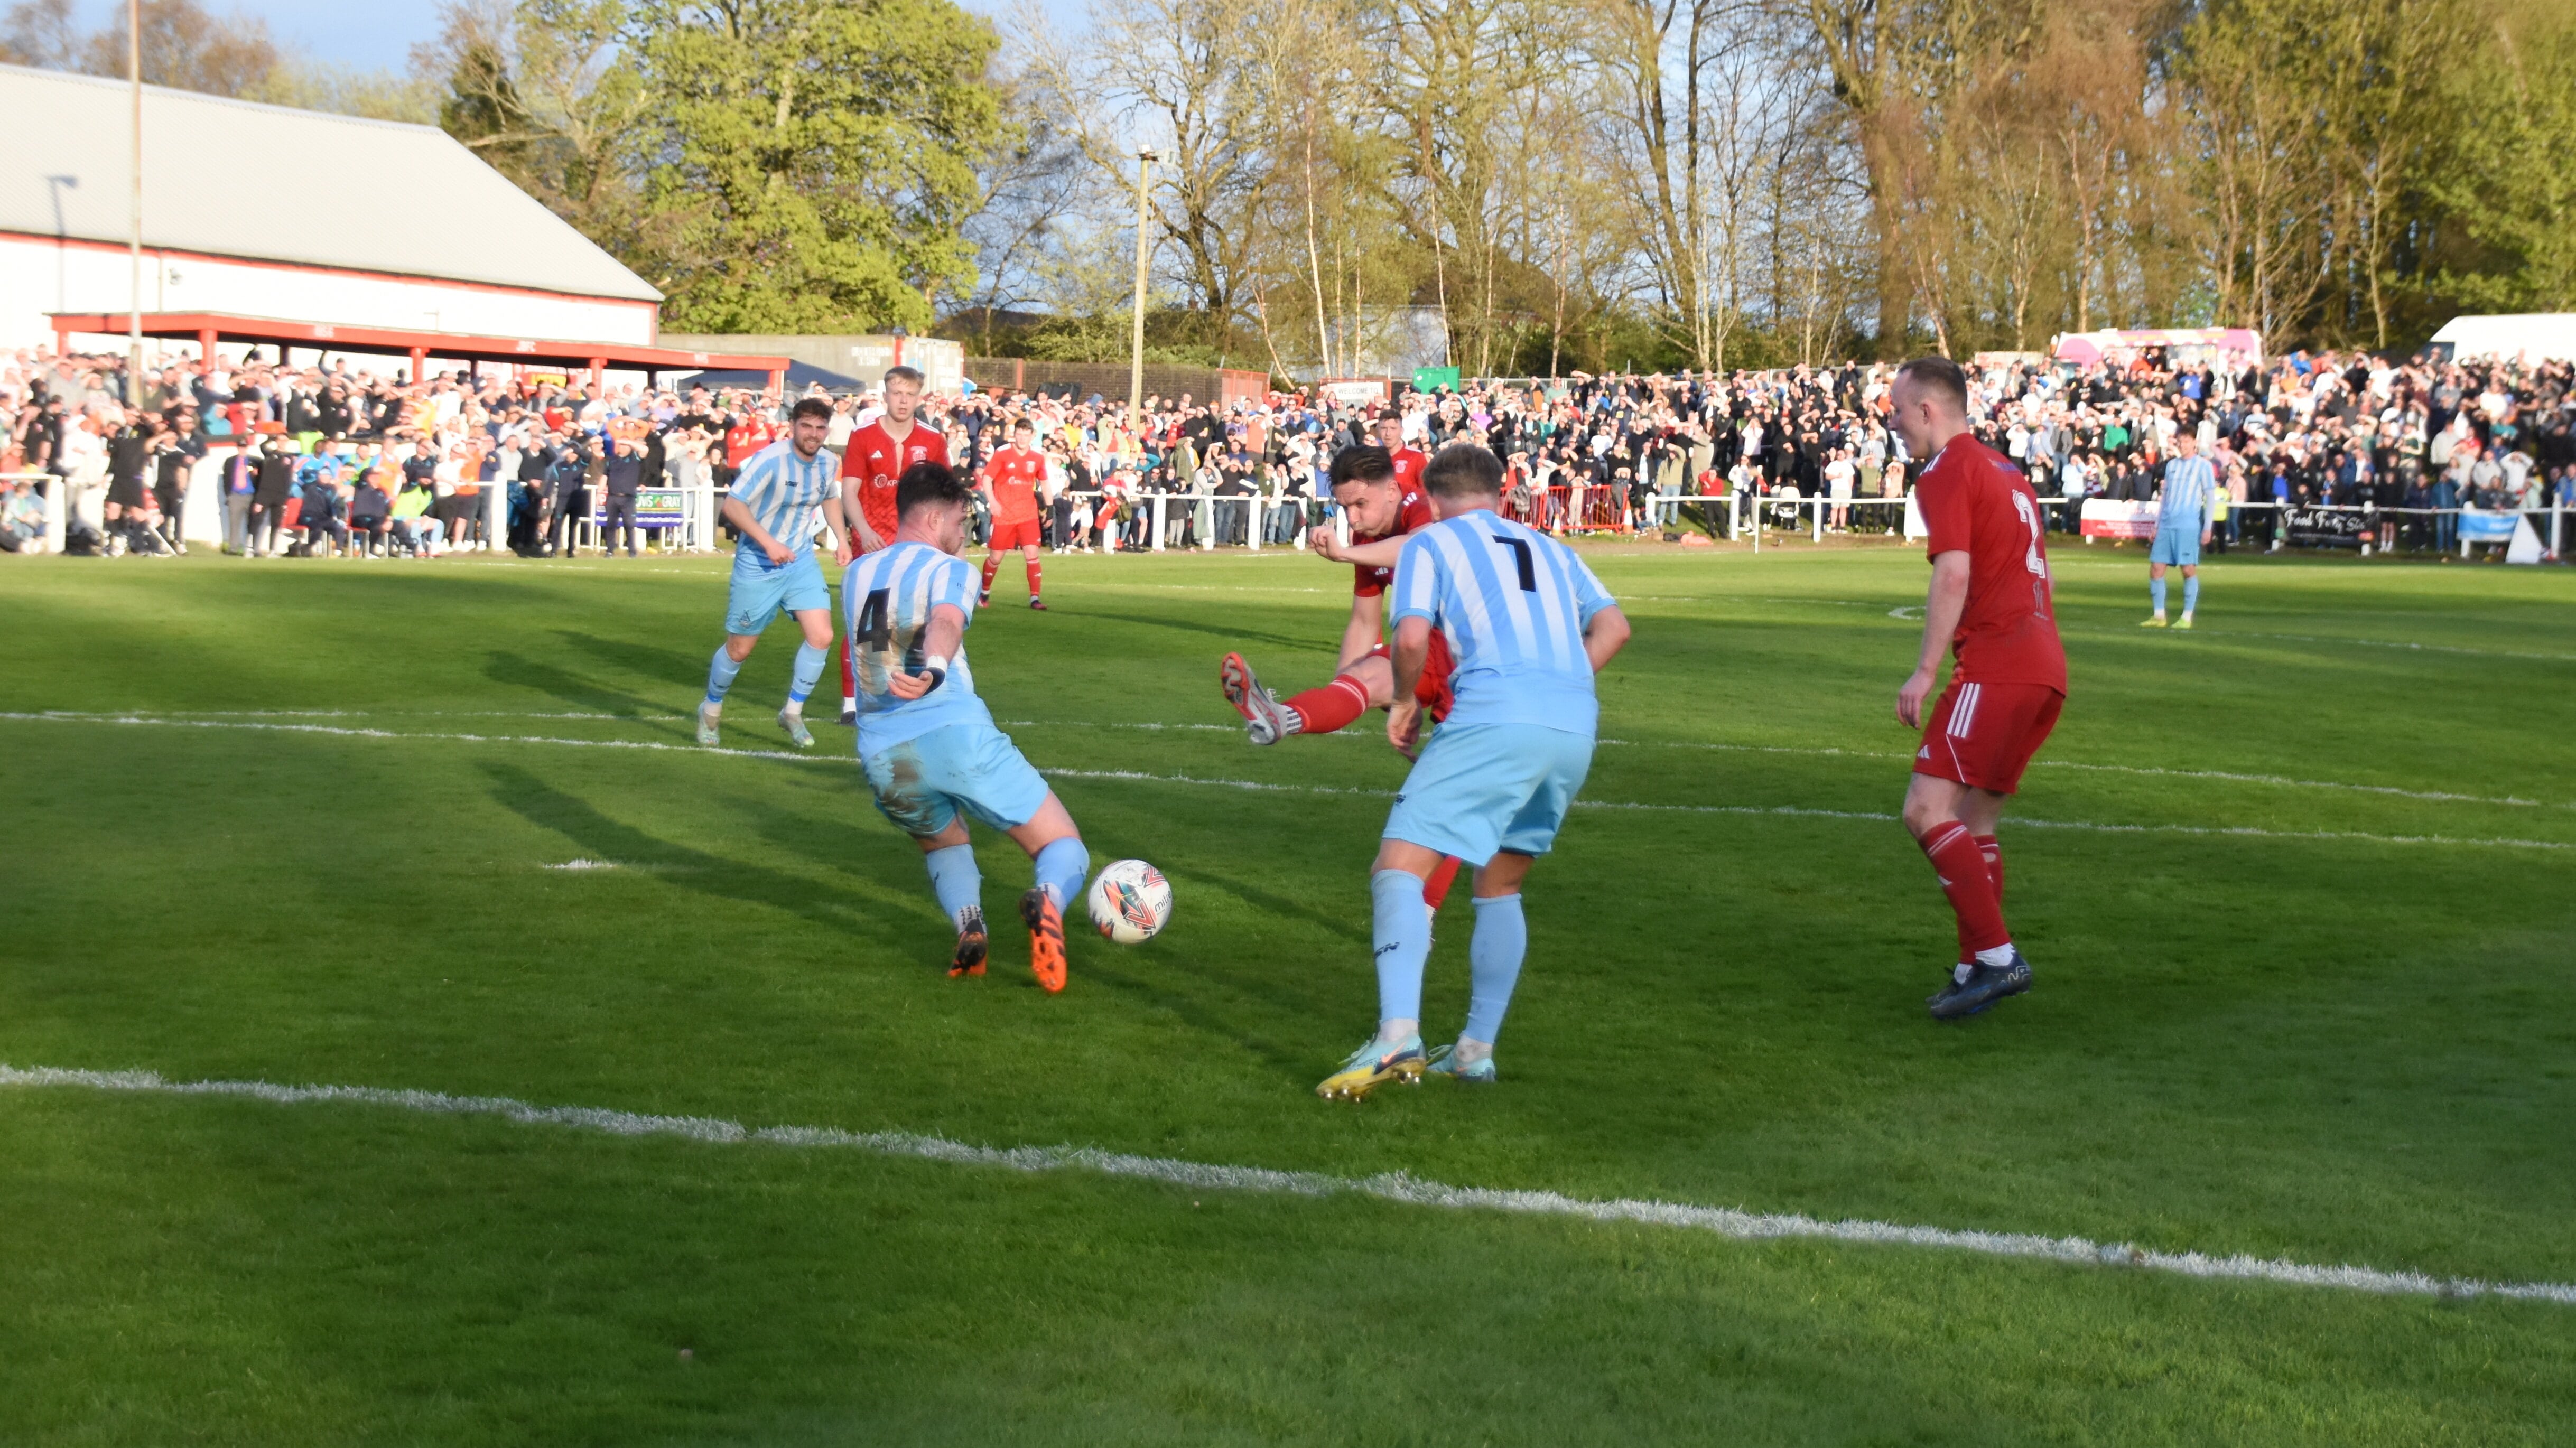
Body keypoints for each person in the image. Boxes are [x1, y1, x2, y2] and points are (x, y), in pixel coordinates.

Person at [1315, 443, 1630, 1099]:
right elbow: (1615, 627)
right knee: (1501, 884)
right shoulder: (1551, 546)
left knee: (1398, 868)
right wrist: (1563, 681)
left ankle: (1398, 1034)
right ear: (1501, 489)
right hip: (1575, 722)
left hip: (1494, 715)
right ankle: (1474, 1052)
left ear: (1431, 499)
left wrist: (1403, 701)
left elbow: (1408, 638)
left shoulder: (1432, 542)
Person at [842, 460, 1090, 993]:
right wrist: (933, 669)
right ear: (936, 517)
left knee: (943, 843)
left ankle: (970, 927)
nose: (965, 532)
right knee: (1062, 844)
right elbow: (947, 619)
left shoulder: (857, 572)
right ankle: (1047, 899)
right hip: (953, 730)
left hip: (884, 753)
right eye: (962, 519)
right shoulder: (951, 568)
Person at [1887, 356, 2067, 1022]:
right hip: (2044, 667)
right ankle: (1974, 965)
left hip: (1997, 665)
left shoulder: (1947, 470)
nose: (1895, 423)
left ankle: (1995, 954)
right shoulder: (2006, 470)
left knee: (1924, 809)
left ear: (1928, 410)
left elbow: (1954, 575)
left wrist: (1927, 670)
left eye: (1899, 410)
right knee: (1975, 820)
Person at [698, 397, 849, 751]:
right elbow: (733, 505)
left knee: (822, 635)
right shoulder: (770, 460)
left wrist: (841, 538)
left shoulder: (828, 461)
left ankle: (792, 712)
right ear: (792, 427)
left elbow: (829, 497)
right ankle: (710, 710)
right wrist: (767, 543)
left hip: (800, 561)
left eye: (820, 428)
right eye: (807, 427)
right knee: (739, 649)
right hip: (758, 562)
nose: (814, 434)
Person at [836, 366, 949, 724]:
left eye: (909, 394)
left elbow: (943, 495)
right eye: (896, 393)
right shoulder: (863, 437)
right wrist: (863, 530)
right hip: (873, 542)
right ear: (885, 395)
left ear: (919, 398)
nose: (903, 401)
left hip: (918, 544)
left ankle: (911, 693)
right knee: (866, 624)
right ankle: (851, 702)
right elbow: (849, 491)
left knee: (917, 619)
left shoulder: (933, 440)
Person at [975, 416, 1049, 609]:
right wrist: (992, 502)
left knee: (1032, 554)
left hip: (1028, 514)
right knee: (996, 558)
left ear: (1033, 436)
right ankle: (984, 592)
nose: (1023, 438)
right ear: (1014, 434)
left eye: (1027, 434)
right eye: (1019, 434)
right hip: (1004, 514)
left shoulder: (1038, 458)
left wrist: (1049, 508)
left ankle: (1035, 599)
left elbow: (1045, 482)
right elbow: (987, 478)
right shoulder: (1002, 454)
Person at [2144, 432, 2216, 628]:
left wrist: (2208, 528)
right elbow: (2165, 498)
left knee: (2188, 569)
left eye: (2186, 441)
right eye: (2180, 441)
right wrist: (2157, 524)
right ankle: (2159, 616)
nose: (2182, 445)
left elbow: (2210, 498)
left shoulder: (2204, 466)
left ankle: (2187, 617)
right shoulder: (2172, 465)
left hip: (2188, 525)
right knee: (2156, 568)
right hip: (2167, 524)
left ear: (2195, 442)